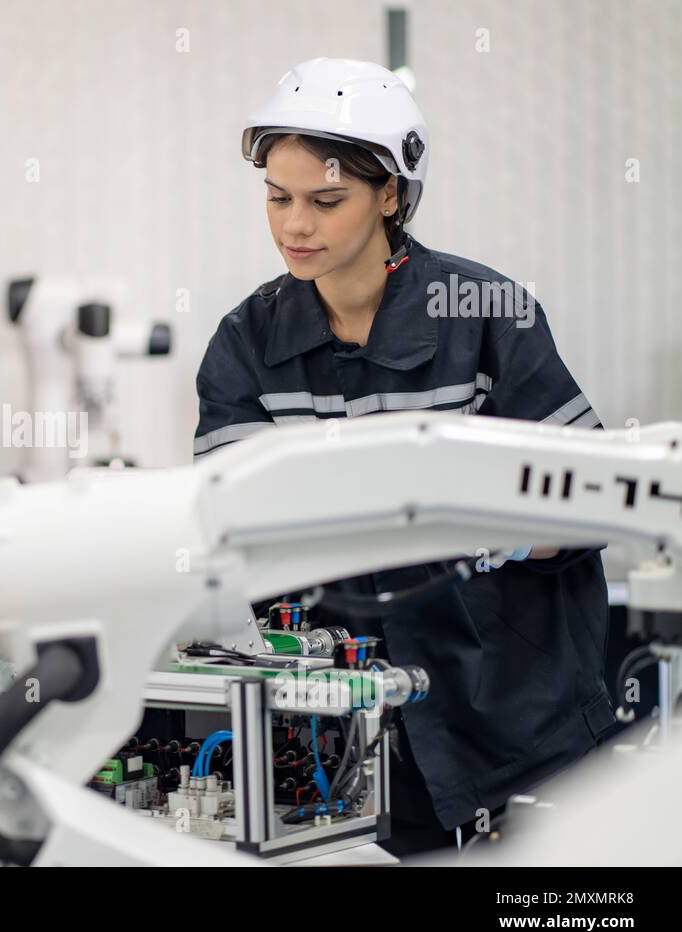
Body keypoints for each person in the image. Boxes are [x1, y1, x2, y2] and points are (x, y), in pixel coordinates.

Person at [194, 58, 614, 857]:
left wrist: (476, 526)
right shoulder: (248, 344)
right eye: (277, 199)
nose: (295, 226)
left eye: (325, 200)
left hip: (521, 727)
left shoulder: (486, 315)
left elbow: (586, 505)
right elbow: (239, 532)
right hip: (354, 744)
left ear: (391, 195)